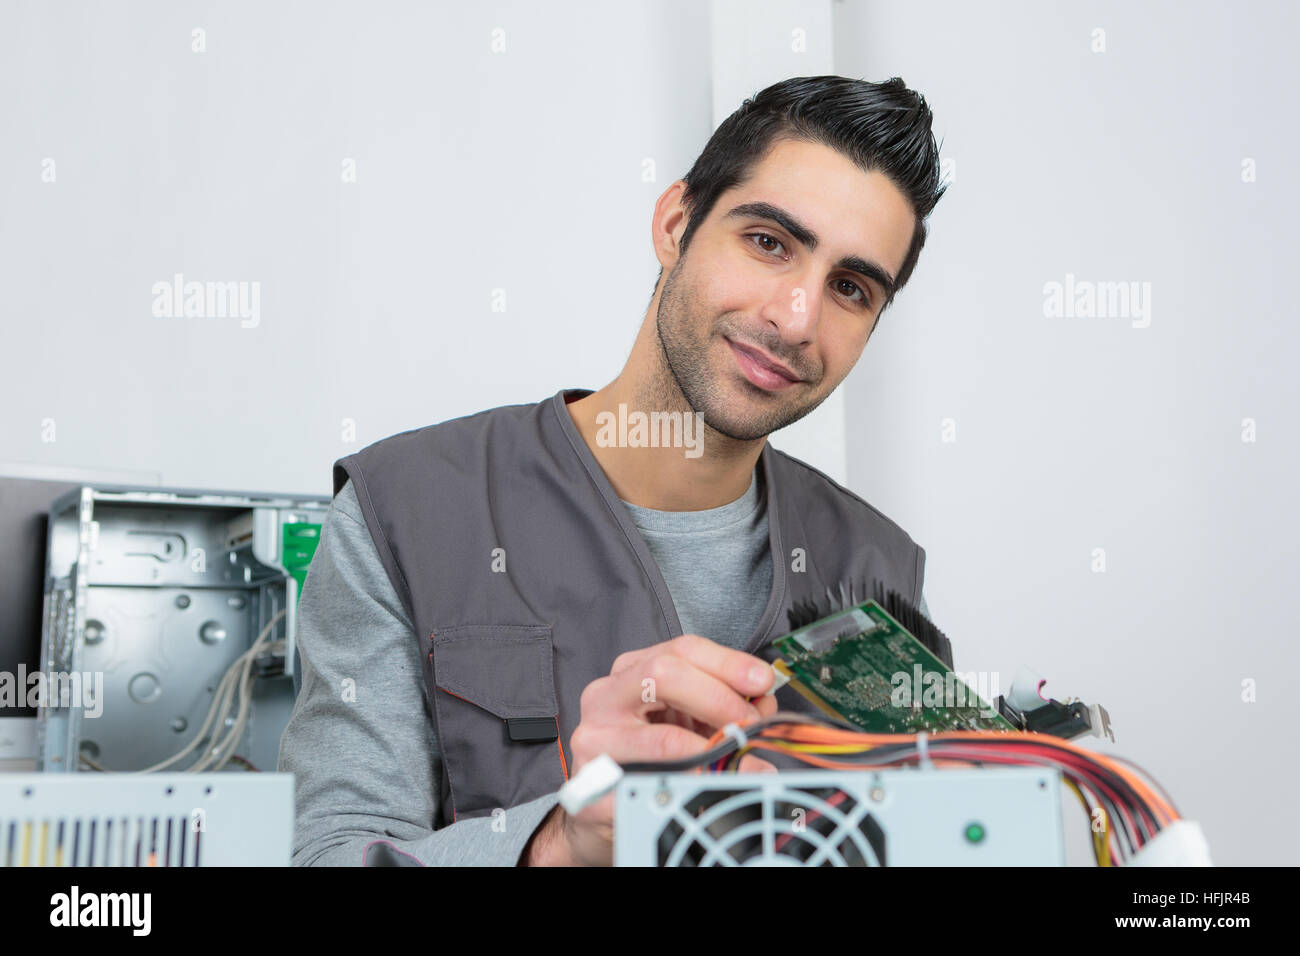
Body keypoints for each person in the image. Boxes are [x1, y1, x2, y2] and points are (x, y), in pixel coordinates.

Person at [278, 74, 947, 866]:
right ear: (675, 223)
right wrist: (563, 841)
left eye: (850, 287)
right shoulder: (406, 514)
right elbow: (329, 855)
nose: (795, 319)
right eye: (769, 242)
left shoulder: (879, 568)